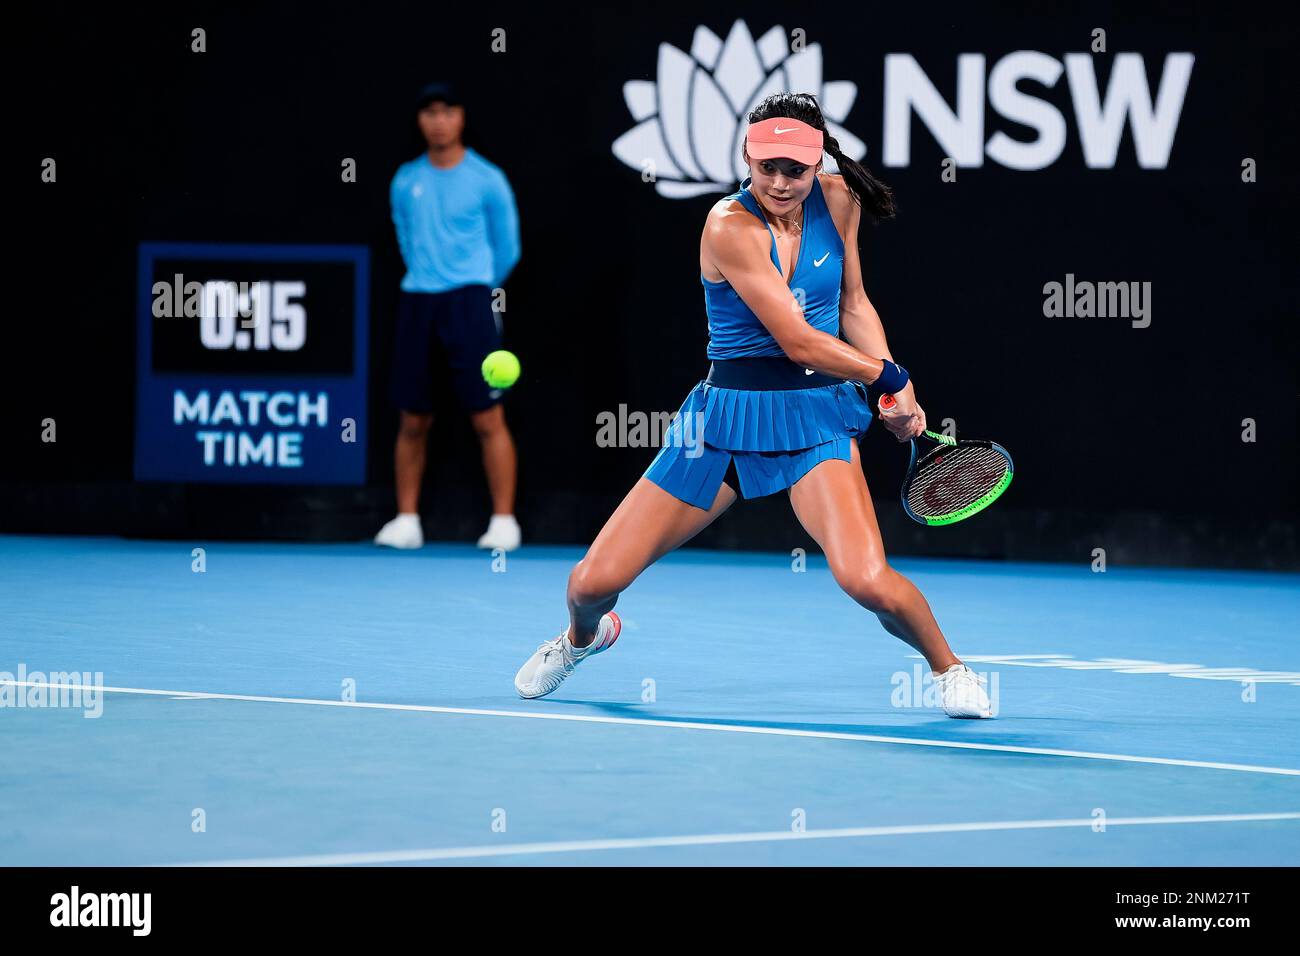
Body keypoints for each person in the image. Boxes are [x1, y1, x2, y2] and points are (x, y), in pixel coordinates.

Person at [512, 92, 992, 718]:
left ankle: (950, 670)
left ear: (818, 163)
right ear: (746, 156)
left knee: (866, 580)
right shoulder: (727, 226)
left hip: (814, 419)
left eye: (795, 169)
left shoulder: (840, 199)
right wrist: (885, 375)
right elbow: (794, 338)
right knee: (589, 585)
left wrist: (902, 392)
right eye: (766, 166)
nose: (780, 182)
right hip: (723, 426)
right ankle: (584, 639)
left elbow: (853, 303)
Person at [375, 82, 523, 551]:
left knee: (487, 416)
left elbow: (508, 249)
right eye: (429, 112)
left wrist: (475, 286)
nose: (438, 120)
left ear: (461, 118)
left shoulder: (488, 178)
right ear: (420, 121)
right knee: (413, 418)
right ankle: (406, 521)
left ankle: (504, 522)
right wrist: (430, 275)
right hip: (418, 300)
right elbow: (404, 239)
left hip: (470, 302)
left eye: (447, 111)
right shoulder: (404, 180)